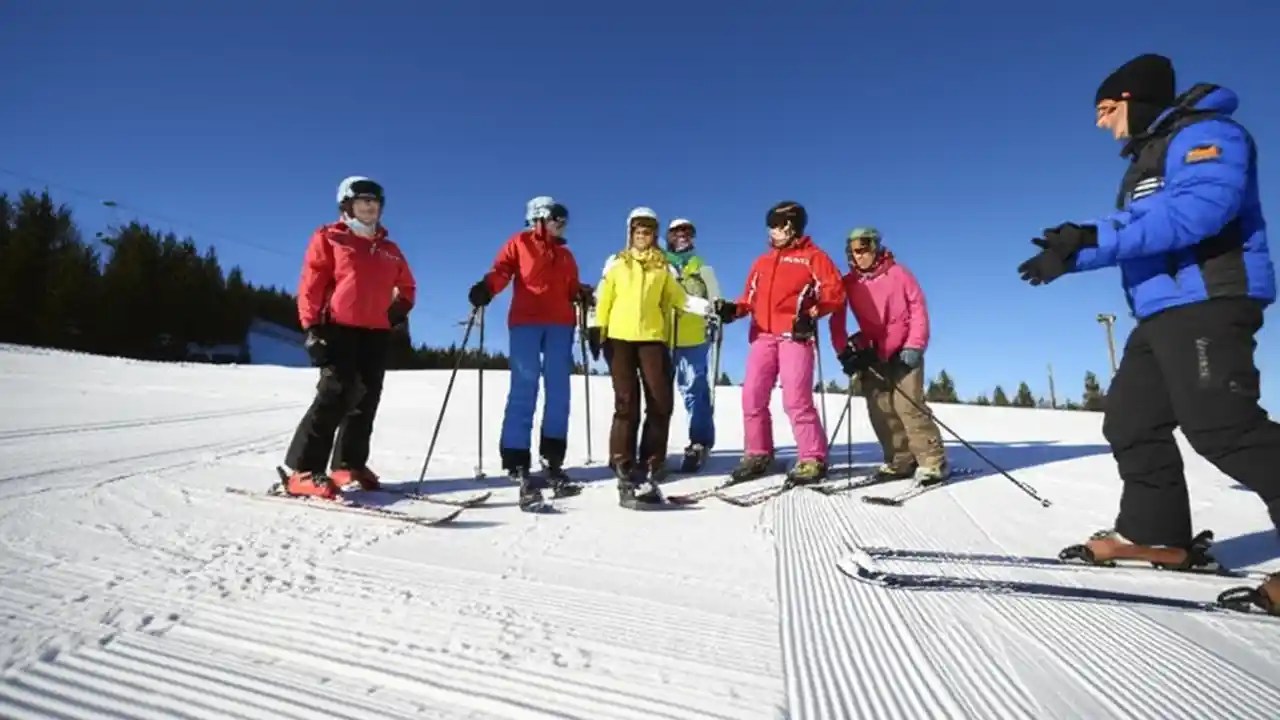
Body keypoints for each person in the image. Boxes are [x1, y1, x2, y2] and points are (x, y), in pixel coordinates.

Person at [1016, 53, 1279, 614]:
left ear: (1132, 100)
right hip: (1162, 308)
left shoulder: (1207, 135)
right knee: (1132, 421)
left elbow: (1201, 213)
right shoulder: (1150, 156)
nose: (1100, 122)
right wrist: (1074, 252)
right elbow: (1141, 228)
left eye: (1106, 109)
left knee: (1223, 426)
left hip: (1207, 299)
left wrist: (1092, 237)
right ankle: (1156, 534)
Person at [281, 176, 416, 499]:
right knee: (335, 394)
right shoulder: (330, 237)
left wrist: (396, 313)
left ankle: (348, 465)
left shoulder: (389, 249)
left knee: (366, 399)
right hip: (337, 327)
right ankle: (302, 470)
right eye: (363, 201)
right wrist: (312, 328)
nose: (370, 207)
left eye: (375, 202)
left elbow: (408, 288)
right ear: (347, 205)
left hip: (376, 332)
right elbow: (311, 285)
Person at [713, 201, 846, 484]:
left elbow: (834, 292)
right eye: (771, 225)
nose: (773, 231)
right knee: (752, 396)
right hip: (763, 336)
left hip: (795, 336)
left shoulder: (813, 257)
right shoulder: (762, 263)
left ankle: (812, 457)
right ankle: (758, 453)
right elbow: (748, 299)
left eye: (778, 225)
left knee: (796, 399)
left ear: (793, 226)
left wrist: (814, 311)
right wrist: (732, 310)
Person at [468, 196, 590, 505]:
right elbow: (502, 271)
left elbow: (571, 287)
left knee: (559, 390)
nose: (561, 223)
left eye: (564, 219)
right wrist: (487, 287)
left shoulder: (566, 256)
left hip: (561, 325)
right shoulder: (519, 243)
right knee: (525, 385)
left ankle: (552, 457)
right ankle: (516, 457)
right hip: (526, 323)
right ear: (538, 218)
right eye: (555, 217)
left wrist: (583, 294)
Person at [829, 228, 949, 484]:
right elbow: (836, 320)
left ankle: (932, 461)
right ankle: (900, 459)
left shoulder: (899, 274)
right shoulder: (848, 283)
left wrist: (915, 345)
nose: (858, 256)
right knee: (880, 408)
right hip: (874, 354)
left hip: (905, 351)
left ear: (875, 247)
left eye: (863, 249)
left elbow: (918, 309)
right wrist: (845, 354)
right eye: (853, 252)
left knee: (908, 405)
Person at [589, 207, 688, 506]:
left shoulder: (663, 268)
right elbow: (603, 297)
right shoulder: (616, 264)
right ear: (630, 232)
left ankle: (651, 461)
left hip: (652, 339)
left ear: (655, 234)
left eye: (648, 231)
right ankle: (622, 460)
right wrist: (596, 327)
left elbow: (680, 300)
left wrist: (713, 308)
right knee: (626, 401)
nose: (642, 236)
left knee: (660, 401)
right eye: (638, 231)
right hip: (619, 339)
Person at [663, 217, 722, 472]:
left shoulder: (702, 267)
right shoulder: (660, 264)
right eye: (677, 232)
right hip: (662, 336)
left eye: (687, 232)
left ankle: (700, 441)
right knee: (658, 393)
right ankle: (654, 446)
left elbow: (715, 296)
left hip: (694, 336)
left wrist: (717, 313)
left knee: (694, 388)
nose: (683, 236)